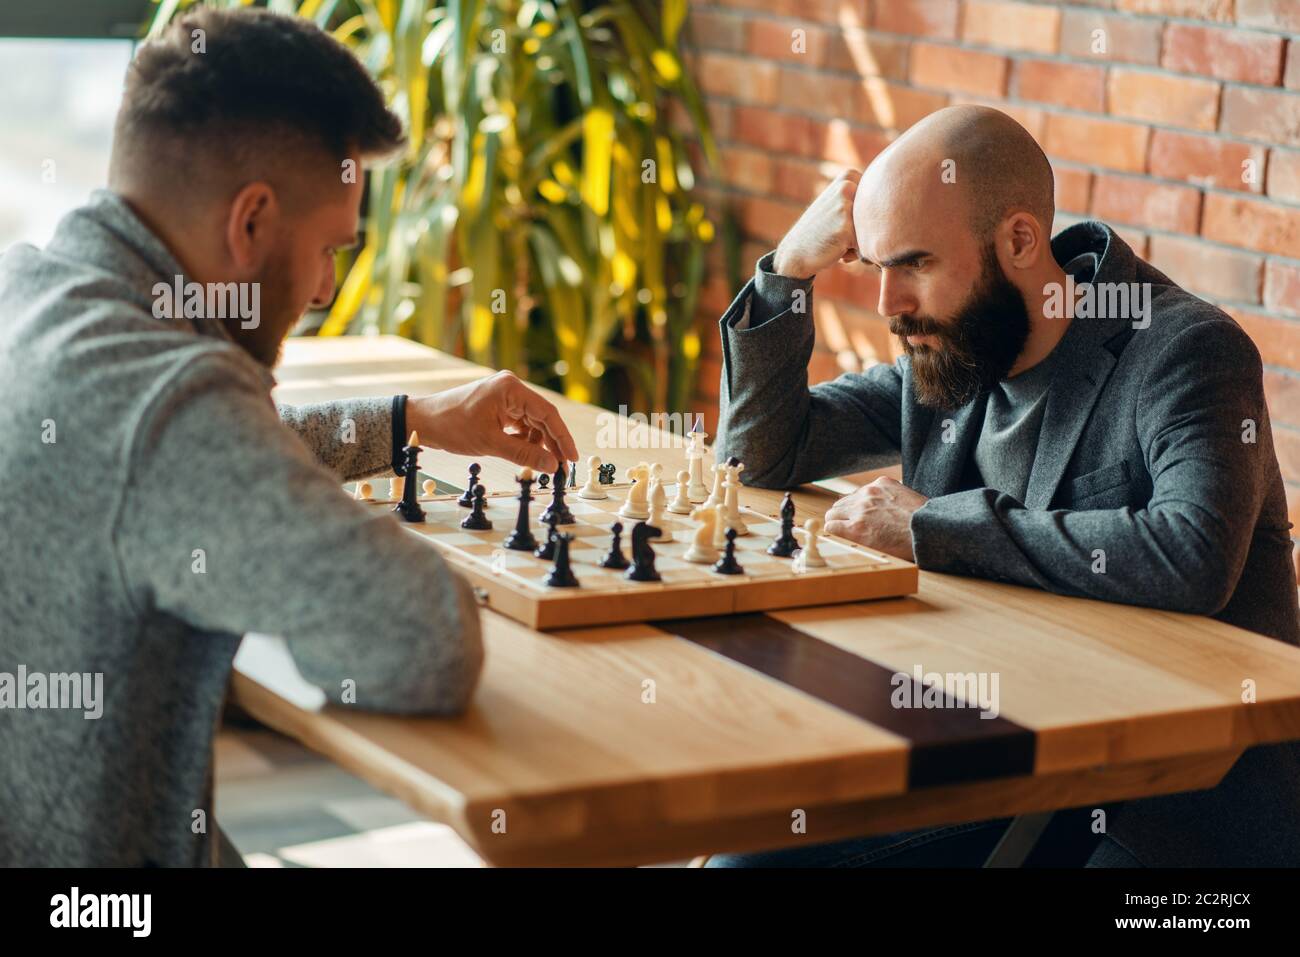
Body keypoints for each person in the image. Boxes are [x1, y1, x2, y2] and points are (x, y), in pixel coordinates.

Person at [0, 7, 576, 867]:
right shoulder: (169, 402)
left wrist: (409, 421)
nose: (324, 287)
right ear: (252, 223)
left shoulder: (31, 291)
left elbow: (191, 459)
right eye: (329, 247)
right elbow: (421, 641)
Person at [710, 105, 1300, 867]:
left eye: (914, 263)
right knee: (750, 862)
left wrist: (934, 525)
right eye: (878, 266)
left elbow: (1194, 552)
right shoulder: (957, 350)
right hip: (1000, 760)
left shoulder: (1185, 350)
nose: (889, 304)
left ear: (1020, 240)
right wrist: (788, 265)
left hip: (1175, 809)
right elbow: (760, 453)